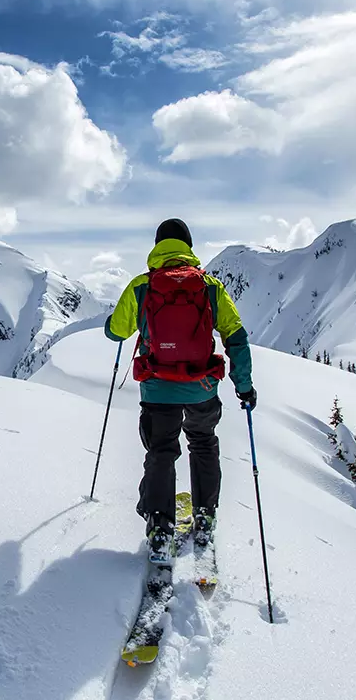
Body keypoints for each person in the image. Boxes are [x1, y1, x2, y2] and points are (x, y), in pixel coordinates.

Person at [104, 218, 256, 566]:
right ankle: (204, 518)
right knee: (203, 444)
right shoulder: (209, 286)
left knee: (161, 451)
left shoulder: (142, 286)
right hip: (201, 387)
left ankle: (159, 528)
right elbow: (236, 336)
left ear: (158, 245)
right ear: (187, 246)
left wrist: (113, 328)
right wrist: (244, 387)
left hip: (158, 389)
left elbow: (117, 330)